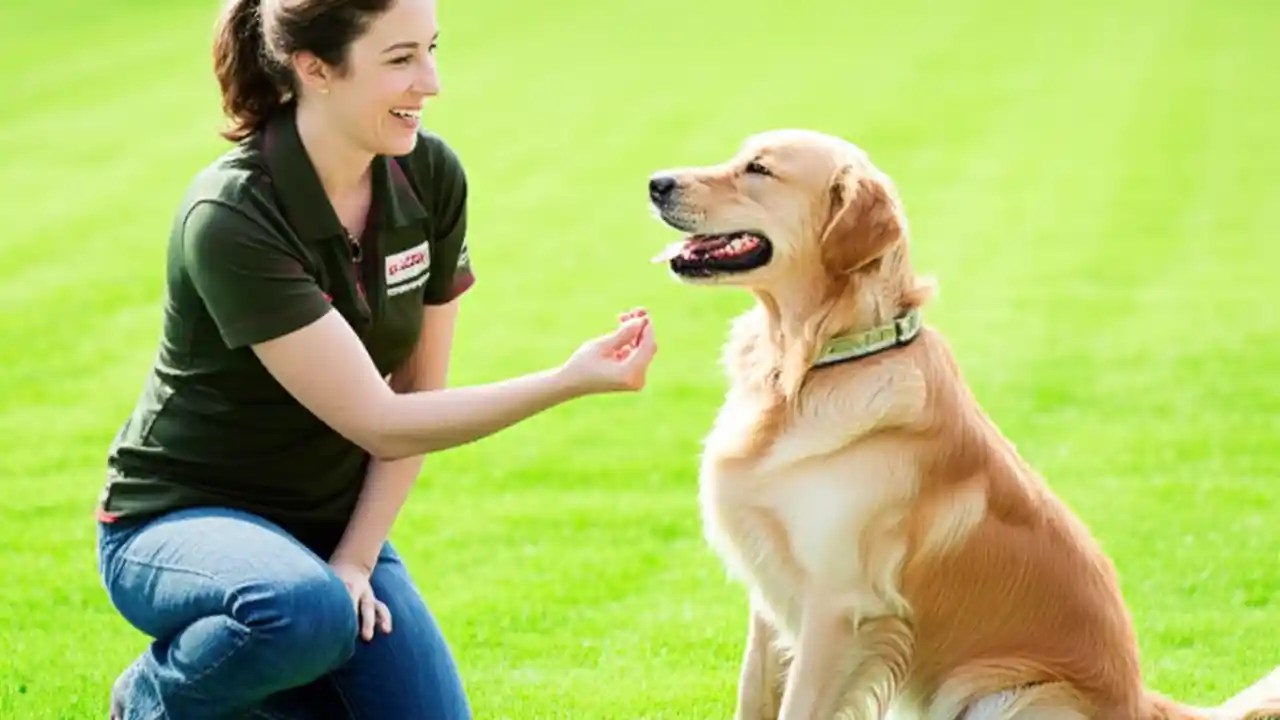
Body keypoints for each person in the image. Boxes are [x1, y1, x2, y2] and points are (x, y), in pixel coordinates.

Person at [94, 0, 658, 716]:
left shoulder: (428, 175)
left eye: (431, 49)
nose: (432, 81)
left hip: (331, 529)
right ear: (316, 68)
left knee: (361, 651)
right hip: (179, 521)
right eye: (401, 59)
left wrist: (357, 559)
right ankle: (145, 703)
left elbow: (421, 397)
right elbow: (384, 422)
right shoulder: (232, 214)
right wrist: (568, 380)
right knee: (303, 614)